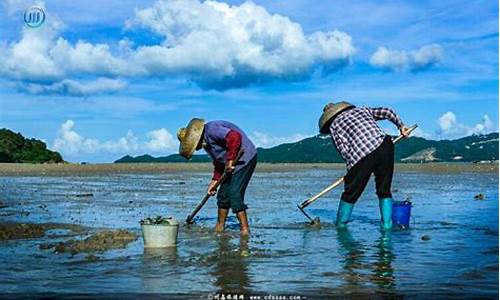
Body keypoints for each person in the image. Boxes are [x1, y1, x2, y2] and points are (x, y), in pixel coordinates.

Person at [318, 101, 411, 230]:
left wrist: (351, 173)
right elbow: (387, 111)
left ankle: (340, 225)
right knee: (384, 190)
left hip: (361, 155)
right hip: (384, 145)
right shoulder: (362, 110)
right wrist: (401, 126)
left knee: (350, 193)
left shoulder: (334, 125)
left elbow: (344, 150)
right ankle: (387, 226)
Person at [177, 118, 257, 235]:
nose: (196, 148)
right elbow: (219, 162)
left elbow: (234, 137)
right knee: (223, 195)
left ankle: (245, 230)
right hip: (229, 164)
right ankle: (220, 226)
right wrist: (214, 181)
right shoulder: (206, 144)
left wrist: (230, 160)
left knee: (235, 194)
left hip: (244, 159)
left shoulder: (212, 129)